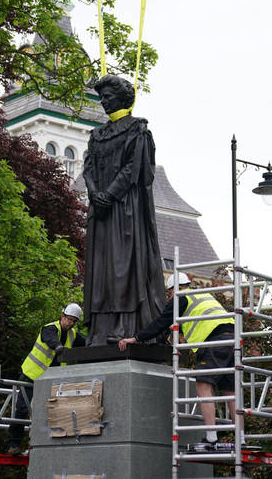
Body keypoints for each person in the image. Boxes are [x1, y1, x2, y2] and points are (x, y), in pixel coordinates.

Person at [83, 74, 166, 345]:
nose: (103, 102)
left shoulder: (138, 131)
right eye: (101, 98)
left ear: (122, 98)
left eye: (107, 97)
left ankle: (123, 326)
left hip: (124, 210)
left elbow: (135, 168)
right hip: (101, 211)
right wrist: (95, 194)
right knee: (100, 270)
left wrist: (109, 194)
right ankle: (99, 330)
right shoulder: (97, 135)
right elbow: (88, 168)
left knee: (123, 267)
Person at [118, 273, 236, 451]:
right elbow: (186, 323)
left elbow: (161, 323)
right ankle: (241, 439)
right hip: (232, 340)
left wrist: (135, 338)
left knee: (204, 386)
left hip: (213, 342)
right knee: (230, 391)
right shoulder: (202, 295)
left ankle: (211, 439)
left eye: (169, 293)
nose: (169, 296)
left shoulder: (180, 298)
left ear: (173, 289)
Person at [5, 303, 86, 454]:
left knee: (49, 412)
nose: (71, 323)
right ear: (62, 316)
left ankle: (40, 445)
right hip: (32, 376)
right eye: (69, 319)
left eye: (74, 321)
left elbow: (87, 344)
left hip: (51, 381)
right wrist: (58, 347)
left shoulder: (73, 334)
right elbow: (50, 339)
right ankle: (13, 444)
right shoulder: (50, 328)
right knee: (22, 409)